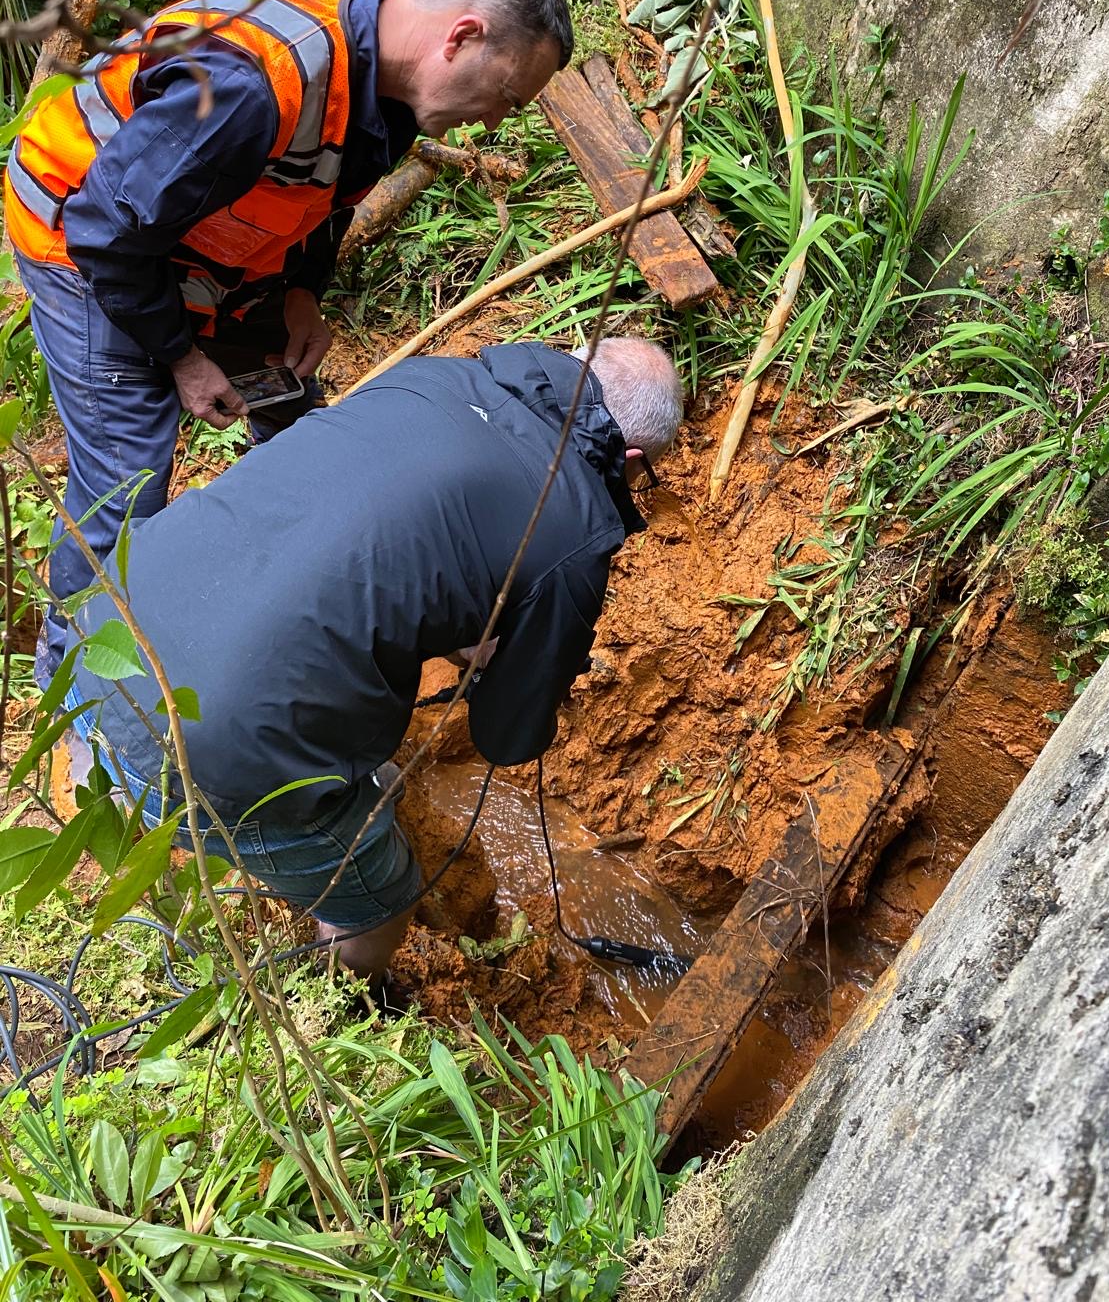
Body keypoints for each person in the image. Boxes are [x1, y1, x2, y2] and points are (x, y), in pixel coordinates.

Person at [3, 0, 573, 684]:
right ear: (462, 36)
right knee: (128, 474)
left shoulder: (386, 88)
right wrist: (181, 357)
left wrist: (302, 291)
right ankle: (75, 692)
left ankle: (352, 601)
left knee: (295, 412)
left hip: (195, 236)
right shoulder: (256, 84)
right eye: (506, 95)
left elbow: (324, 195)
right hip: (81, 232)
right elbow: (109, 230)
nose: (496, 122)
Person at [63, 336, 684, 997]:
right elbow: (508, 738)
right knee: (383, 896)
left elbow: (361, 537)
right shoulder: (574, 529)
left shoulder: (428, 377)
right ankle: (338, 1002)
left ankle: (103, 810)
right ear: (634, 456)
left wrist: (459, 623)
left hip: (104, 630)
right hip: (205, 748)